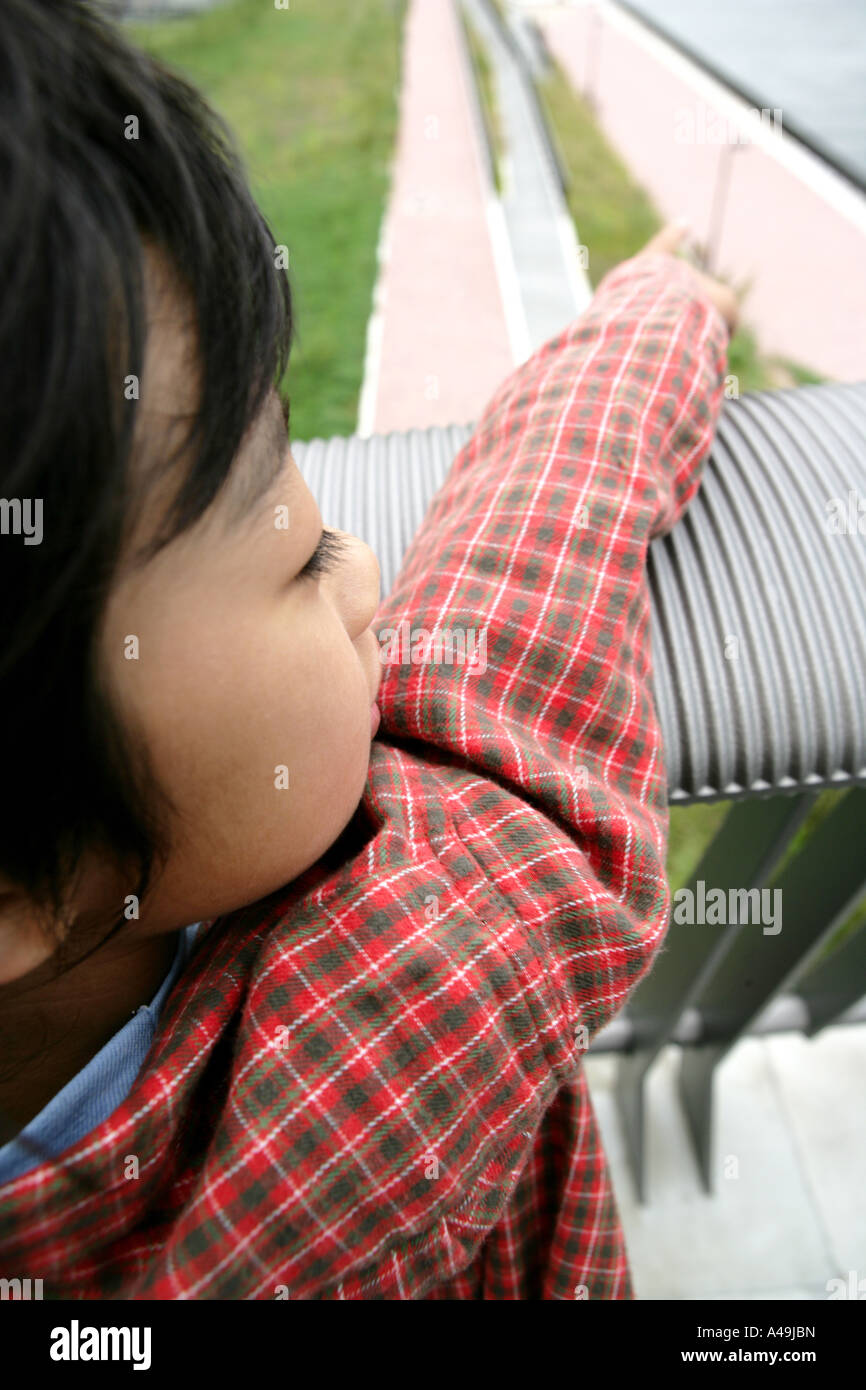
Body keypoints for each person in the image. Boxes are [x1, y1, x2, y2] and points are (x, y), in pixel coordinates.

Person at [0, 0, 738, 1297]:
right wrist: (661, 303)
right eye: (296, 556)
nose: (365, 575)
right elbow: (527, 613)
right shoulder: (388, 1006)